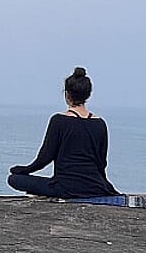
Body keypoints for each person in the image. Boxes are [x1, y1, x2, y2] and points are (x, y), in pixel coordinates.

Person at [8, 67, 119, 199]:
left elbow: (45, 158)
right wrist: (102, 184)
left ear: (67, 94)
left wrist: (23, 170)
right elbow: (101, 163)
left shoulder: (59, 120)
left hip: (65, 187)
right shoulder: (100, 123)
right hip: (95, 186)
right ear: (88, 95)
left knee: (14, 179)